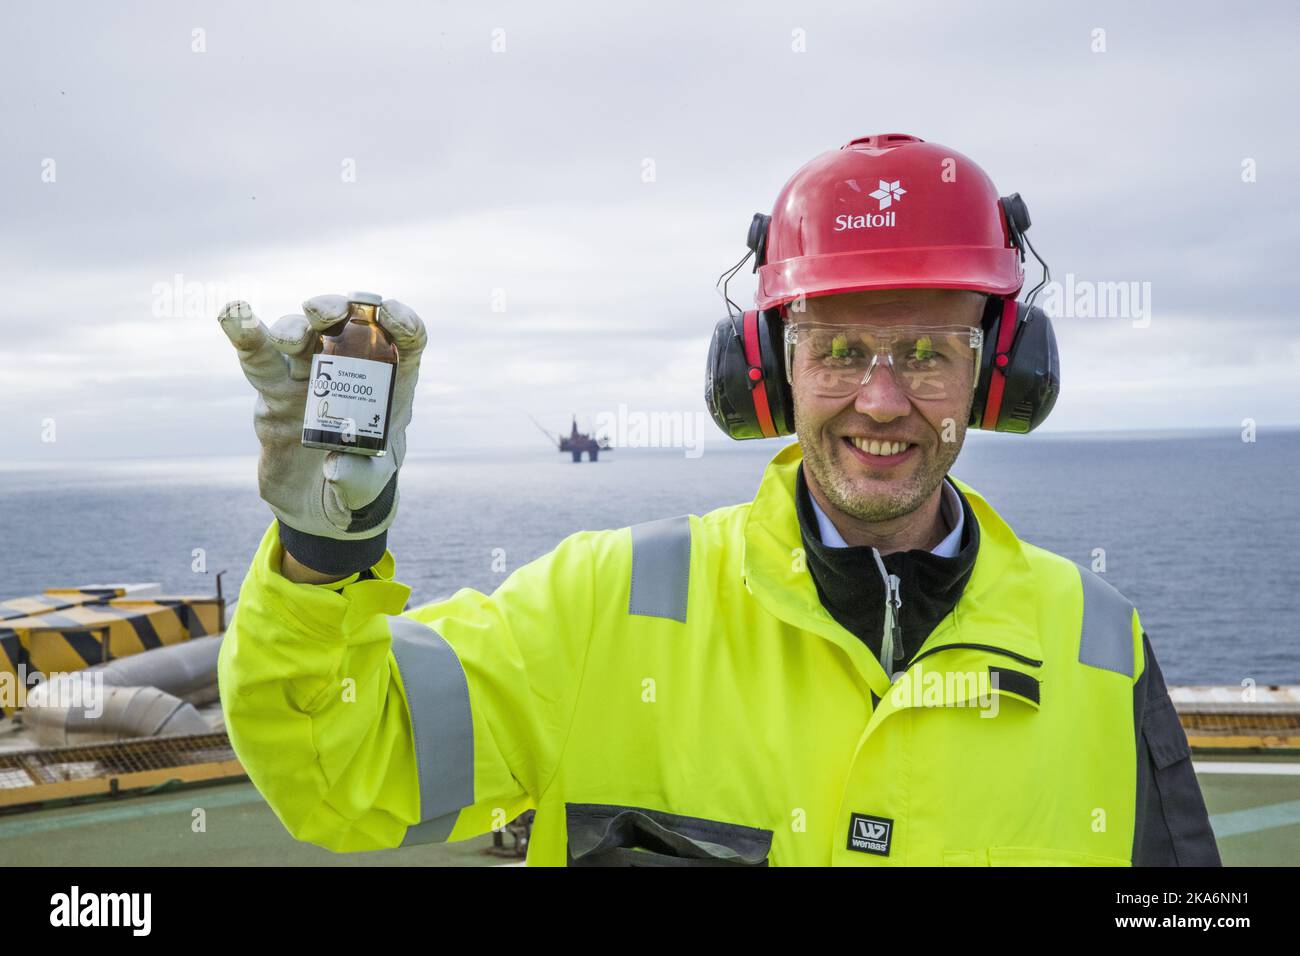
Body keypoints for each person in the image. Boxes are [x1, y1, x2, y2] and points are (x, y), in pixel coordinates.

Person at [217, 133, 1220, 866]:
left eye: (927, 351)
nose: (882, 398)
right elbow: (338, 775)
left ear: (996, 373)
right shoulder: (603, 606)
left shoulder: (1096, 643)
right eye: (835, 350)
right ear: (767, 373)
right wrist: (321, 554)